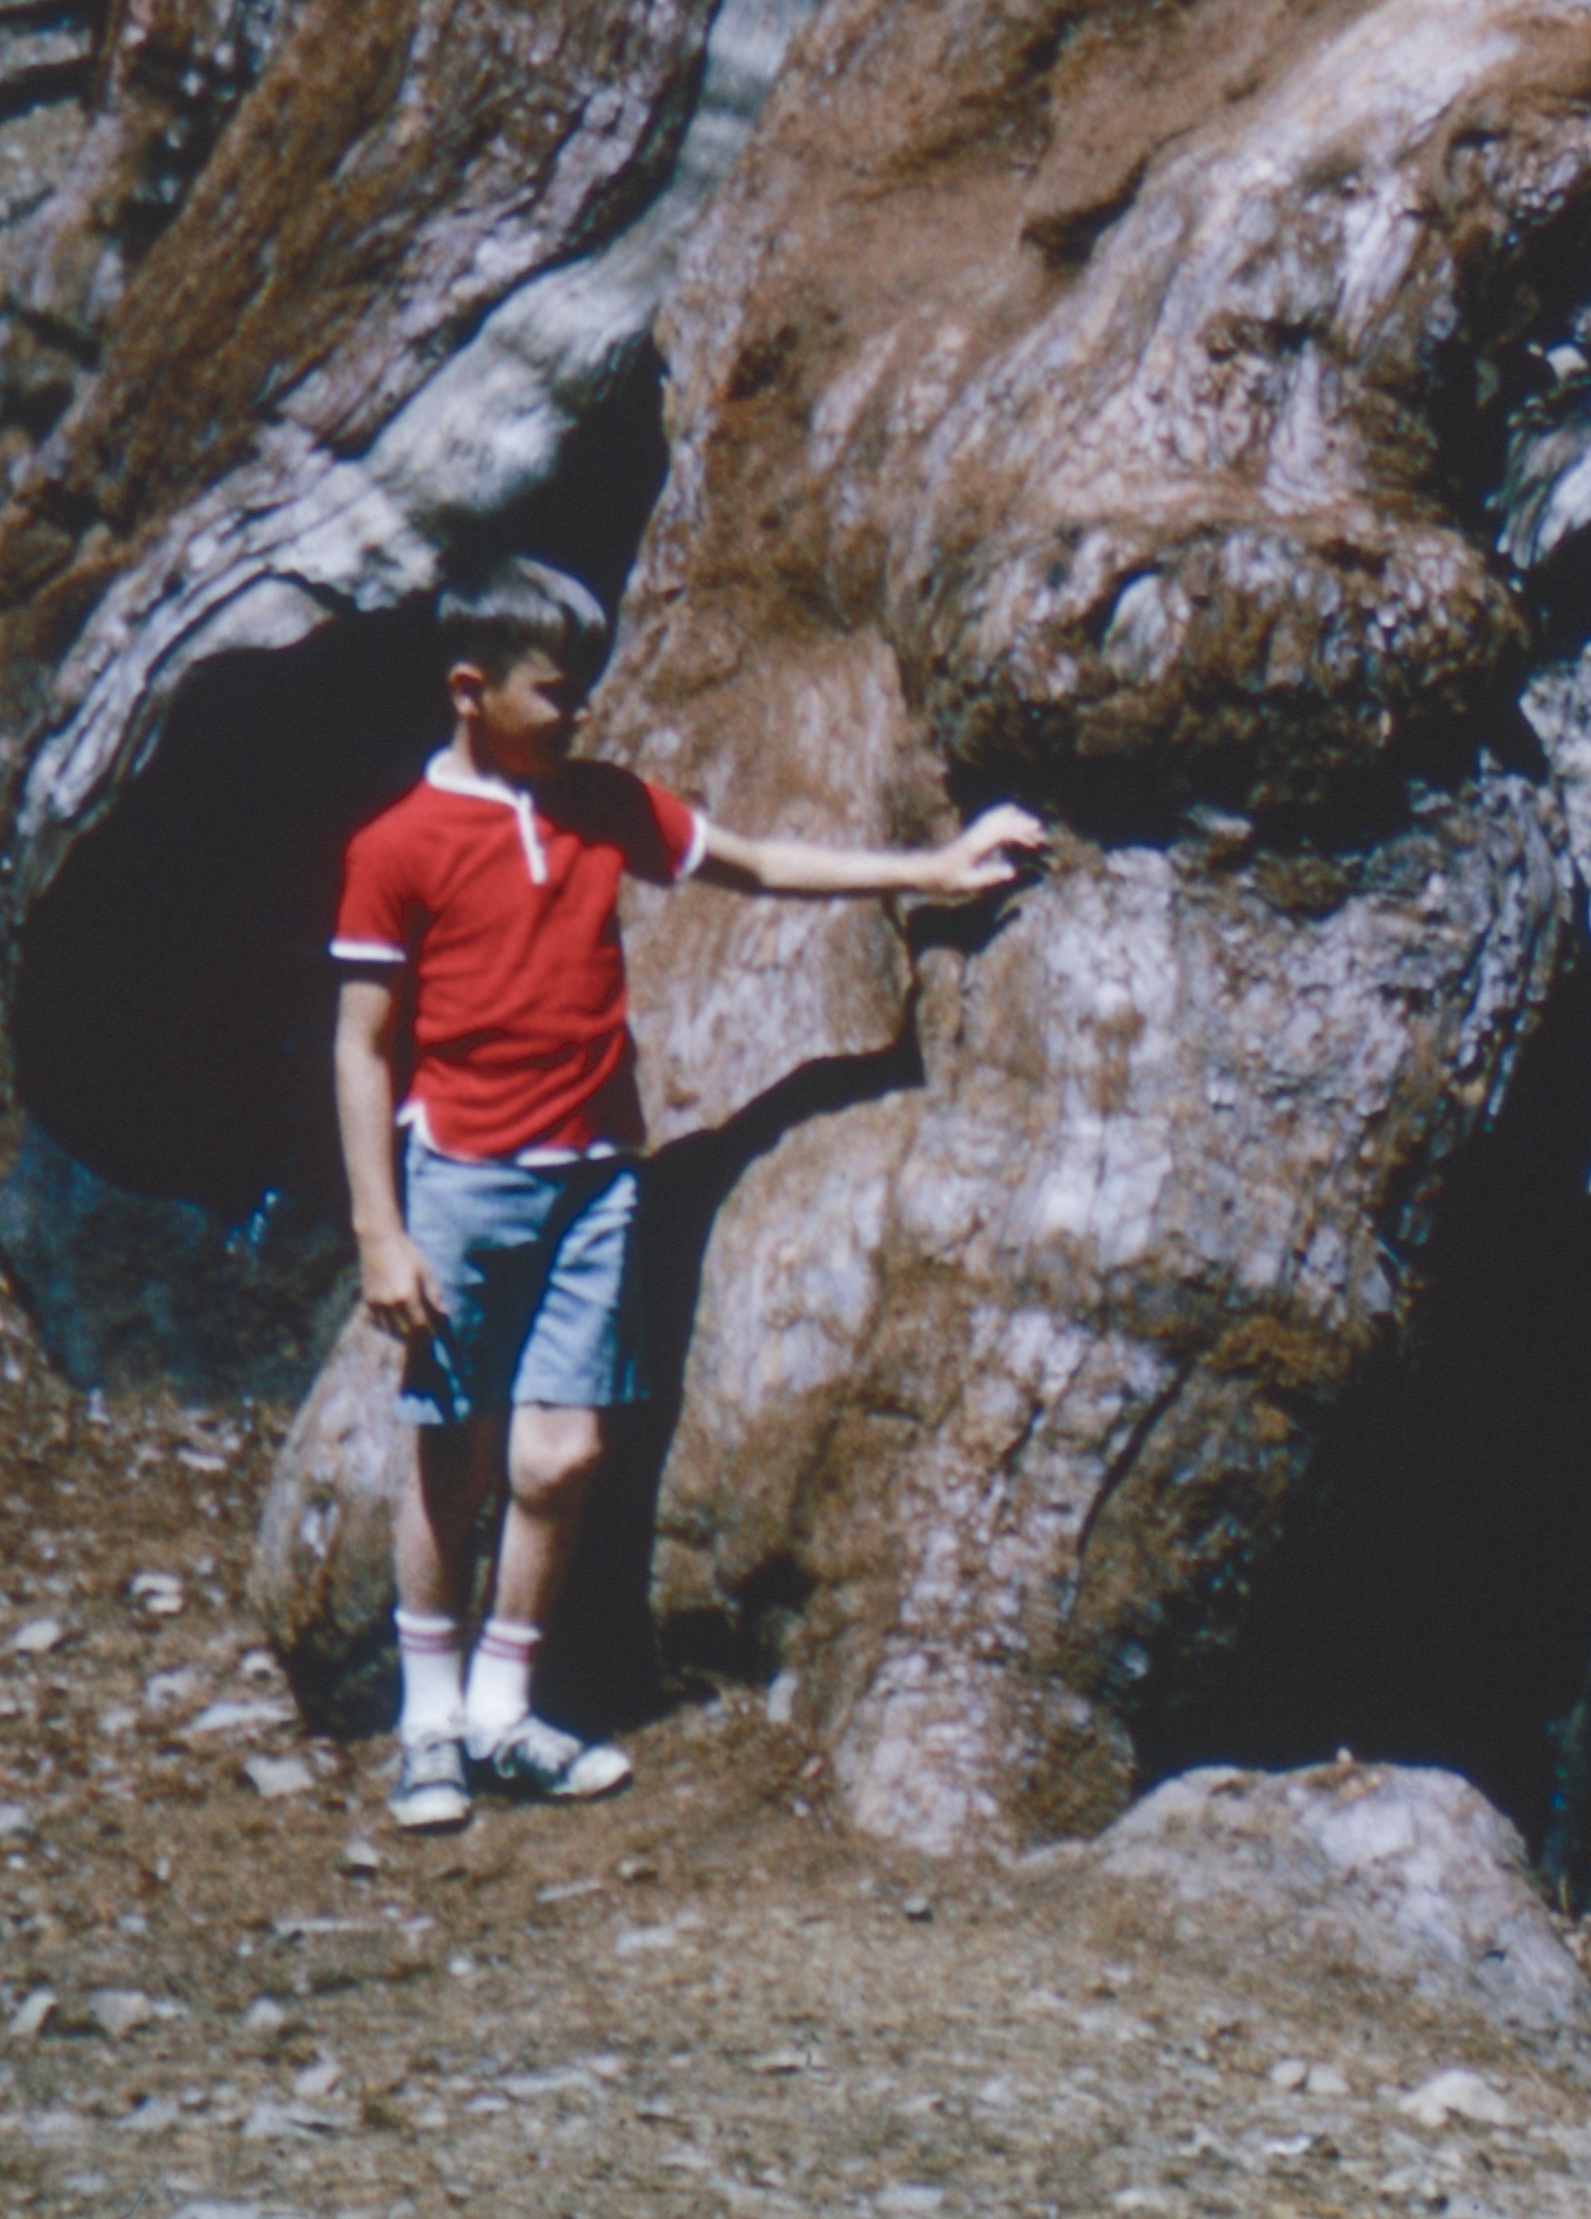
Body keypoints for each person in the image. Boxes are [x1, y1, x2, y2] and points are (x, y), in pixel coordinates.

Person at [327, 559, 1049, 1830]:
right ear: (469, 689)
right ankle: (427, 1719)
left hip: (594, 1178)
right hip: (462, 1185)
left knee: (563, 1456)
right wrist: (382, 1232)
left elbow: (758, 863)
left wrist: (929, 873)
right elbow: (361, 1045)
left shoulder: (602, 807)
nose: (583, 713)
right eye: (558, 693)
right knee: (454, 1445)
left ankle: (504, 1713)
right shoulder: (395, 847)